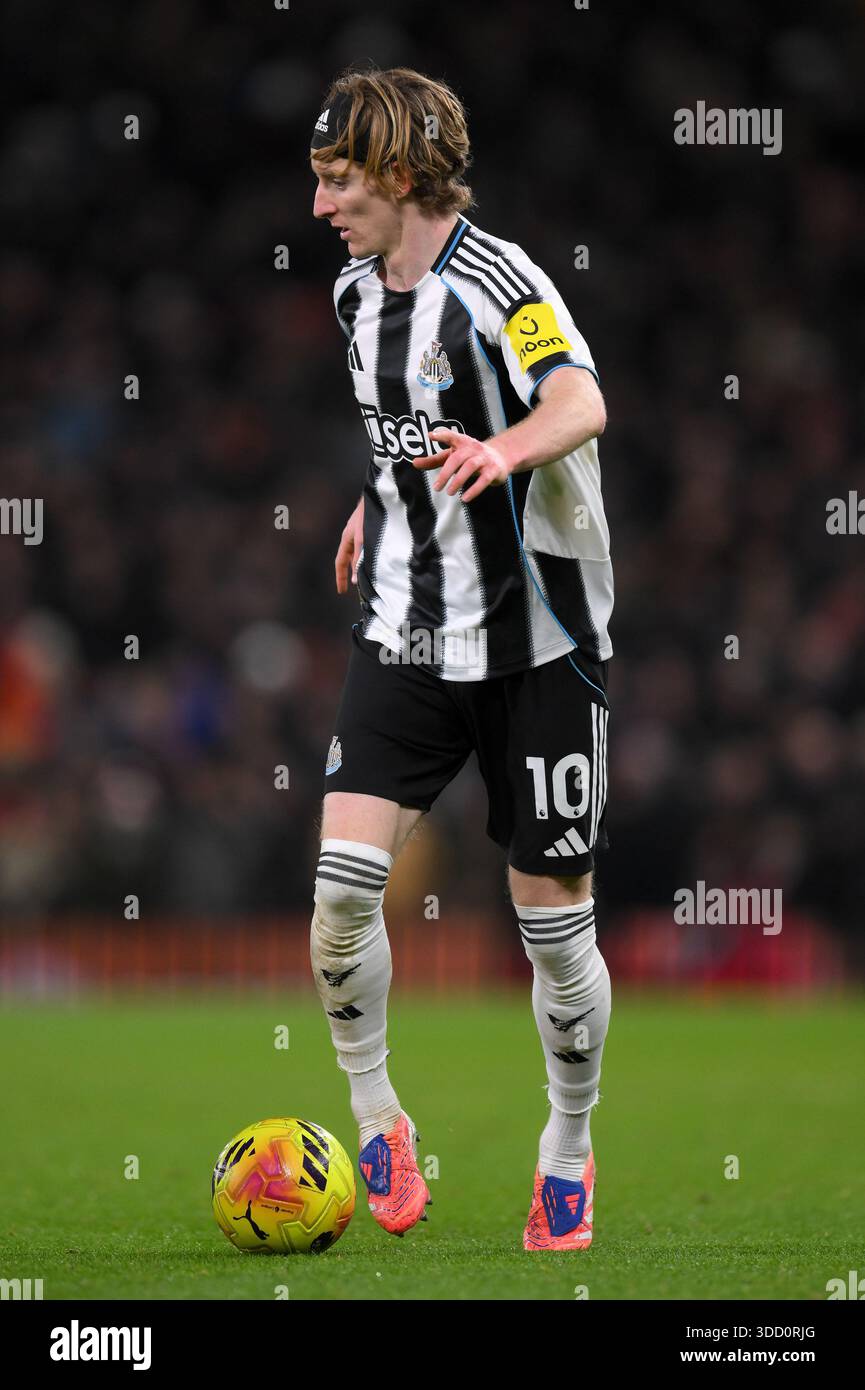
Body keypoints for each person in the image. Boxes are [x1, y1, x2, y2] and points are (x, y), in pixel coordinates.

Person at [308, 66, 613, 1250]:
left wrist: (505, 451)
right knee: (339, 896)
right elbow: (398, 438)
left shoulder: (501, 281)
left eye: (337, 182)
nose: (321, 207)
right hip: (407, 631)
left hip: (538, 641)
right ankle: (377, 1118)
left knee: (554, 929)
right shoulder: (350, 296)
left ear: (398, 175)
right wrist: (373, 502)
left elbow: (580, 399)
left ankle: (568, 1150)